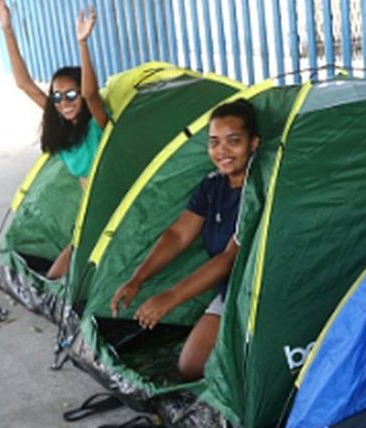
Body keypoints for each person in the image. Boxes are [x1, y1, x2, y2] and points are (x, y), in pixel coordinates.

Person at [110, 99, 259, 382]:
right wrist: (137, 279)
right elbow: (178, 235)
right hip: (229, 293)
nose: (222, 151)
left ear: (253, 143)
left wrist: (171, 297)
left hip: (258, 296)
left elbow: (229, 258)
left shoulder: (257, 189)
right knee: (190, 367)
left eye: (233, 141)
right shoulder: (212, 185)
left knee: (242, 376)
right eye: (214, 142)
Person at [0, 0, 109, 279]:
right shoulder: (60, 126)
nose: (63, 101)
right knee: (59, 275)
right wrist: (7, 27)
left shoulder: (98, 123)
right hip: (88, 210)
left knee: (70, 273)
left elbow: (91, 94)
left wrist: (82, 43)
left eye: (71, 94)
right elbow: (24, 84)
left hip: (109, 206)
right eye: (57, 96)